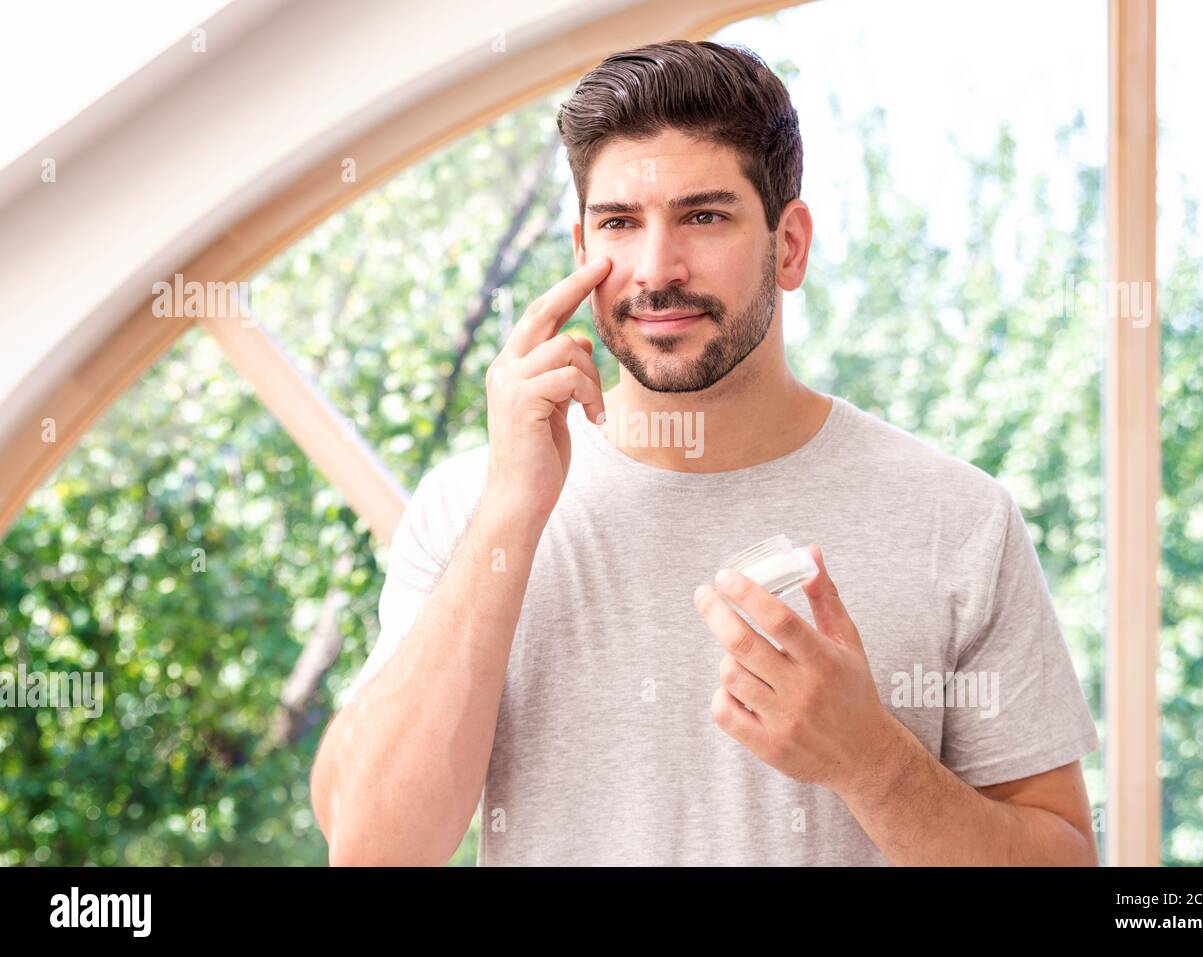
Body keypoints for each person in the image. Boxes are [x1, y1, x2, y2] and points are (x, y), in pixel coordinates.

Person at [310, 39, 1100, 866]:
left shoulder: (958, 518)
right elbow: (371, 846)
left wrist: (872, 761)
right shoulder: (473, 505)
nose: (657, 269)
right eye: (620, 223)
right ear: (583, 252)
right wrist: (512, 507)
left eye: (704, 216)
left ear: (788, 244)